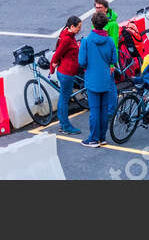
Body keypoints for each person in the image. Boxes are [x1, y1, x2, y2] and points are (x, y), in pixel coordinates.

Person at [77, 10, 117, 146]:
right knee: (104, 110)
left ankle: (93, 138)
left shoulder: (86, 41)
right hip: (106, 79)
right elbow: (114, 59)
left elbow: (81, 61)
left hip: (92, 80)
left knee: (94, 110)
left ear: (93, 24)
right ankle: (102, 137)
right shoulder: (110, 41)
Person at [50, 15, 83, 136]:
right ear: (72, 26)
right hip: (66, 73)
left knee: (63, 98)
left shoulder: (67, 35)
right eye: (78, 27)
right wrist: (52, 67)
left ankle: (63, 123)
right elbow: (57, 54)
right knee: (65, 99)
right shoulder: (67, 39)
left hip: (65, 72)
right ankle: (65, 125)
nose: (80, 29)